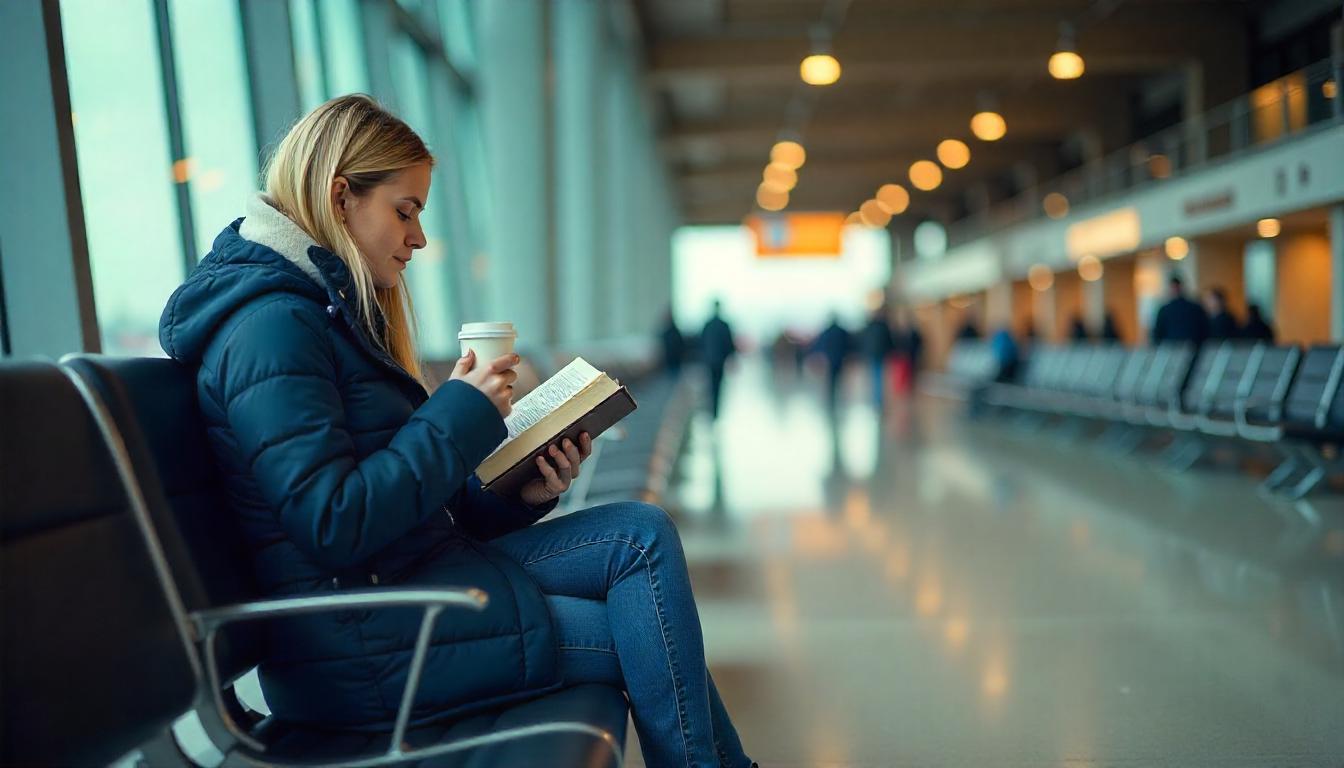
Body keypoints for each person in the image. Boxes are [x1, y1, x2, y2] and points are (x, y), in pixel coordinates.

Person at [156, 96, 751, 768]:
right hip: (361, 645)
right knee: (650, 631)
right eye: (404, 212)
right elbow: (334, 521)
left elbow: (414, 508)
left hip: (401, 590)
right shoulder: (271, 328)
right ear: (340, 197)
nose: (419, 238)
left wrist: (518, 492)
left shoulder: (325, 317)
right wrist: (462, 412)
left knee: (639, 538)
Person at [701, 300, 737, 420]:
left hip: (710, 361)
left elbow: (701, 343)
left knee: (711, 385)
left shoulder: (708, 324)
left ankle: (712, 410)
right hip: (719, 361)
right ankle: (715, 411)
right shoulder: (724, 325)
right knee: (718, 386)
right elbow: (729, 345)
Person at [1151, 274, 1210, 346]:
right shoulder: (1195, 307)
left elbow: (1157, 334)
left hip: (1172, 349)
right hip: (1193, 348)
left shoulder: (1164, 310)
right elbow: (1205, 330)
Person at [812, 314, 851, 410]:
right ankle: (839, 396)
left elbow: (821, 344)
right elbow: (848, 344)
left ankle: (831, 397)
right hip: (840, 358)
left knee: (831, 379)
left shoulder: (827, 331)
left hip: (830, 359)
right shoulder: (841, 331)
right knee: (839, 378)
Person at [859, 306, 896, 409]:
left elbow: (864, 341)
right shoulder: (883, 326)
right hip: (880, 354)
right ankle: (878, 398)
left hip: (872, 354)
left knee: (875, 375)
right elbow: (889, 341)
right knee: (879, 376)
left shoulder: (869, 326)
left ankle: (876, 397)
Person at [658, 308, 685, 377]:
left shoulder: (674, 332)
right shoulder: (666, 332)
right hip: (669, 361)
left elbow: (681, 345)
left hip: (675, 361)